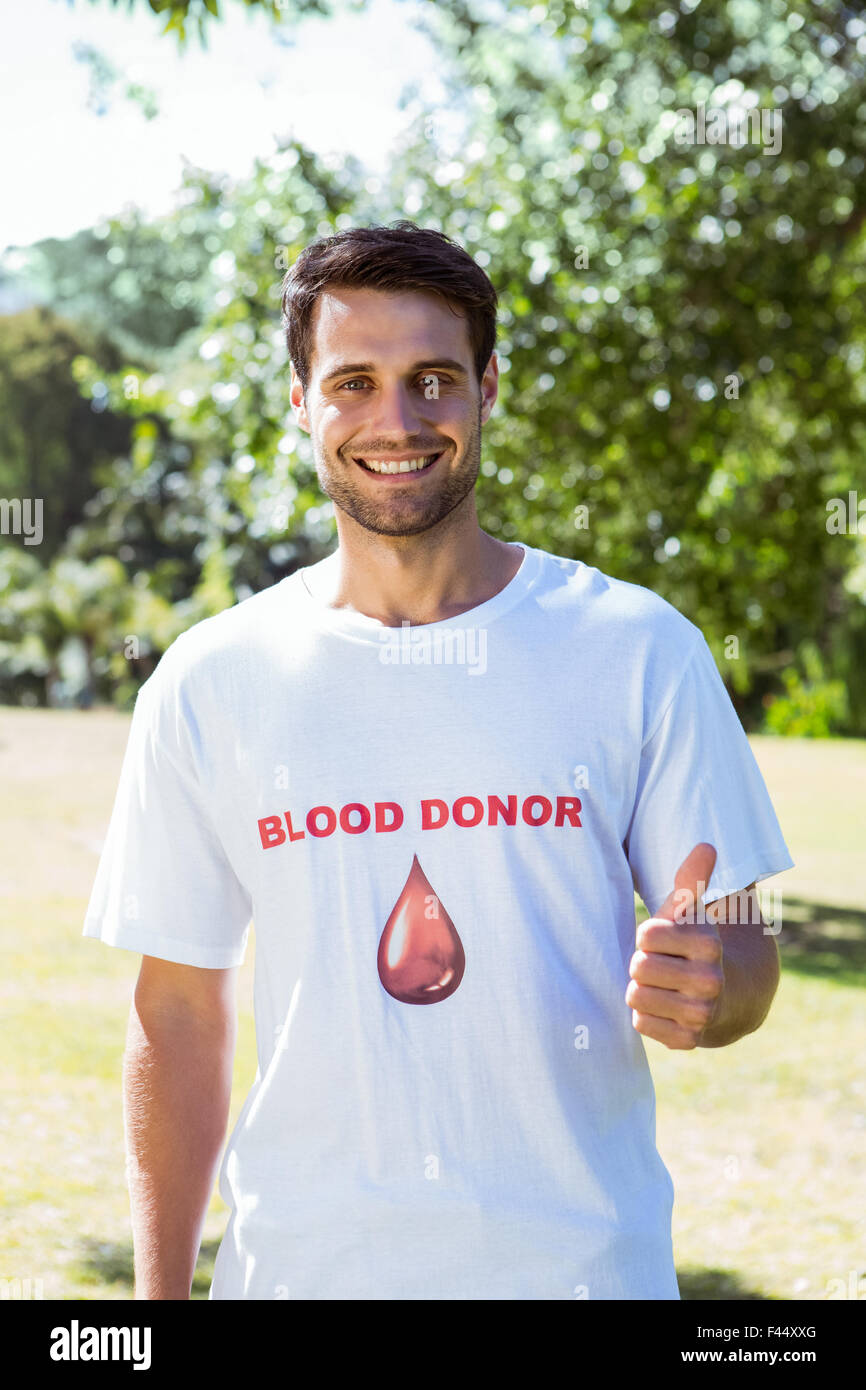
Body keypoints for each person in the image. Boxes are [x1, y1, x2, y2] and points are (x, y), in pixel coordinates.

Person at [83, 220, 793, 1301]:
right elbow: (177, 1013)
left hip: (582, 1278)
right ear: (299, 401)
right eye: (353, 382)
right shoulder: (211, 677)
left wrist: (718, 983)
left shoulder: (637, 648)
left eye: (431, 380)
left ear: (488, 387)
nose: (395, 420)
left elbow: (741, 949)